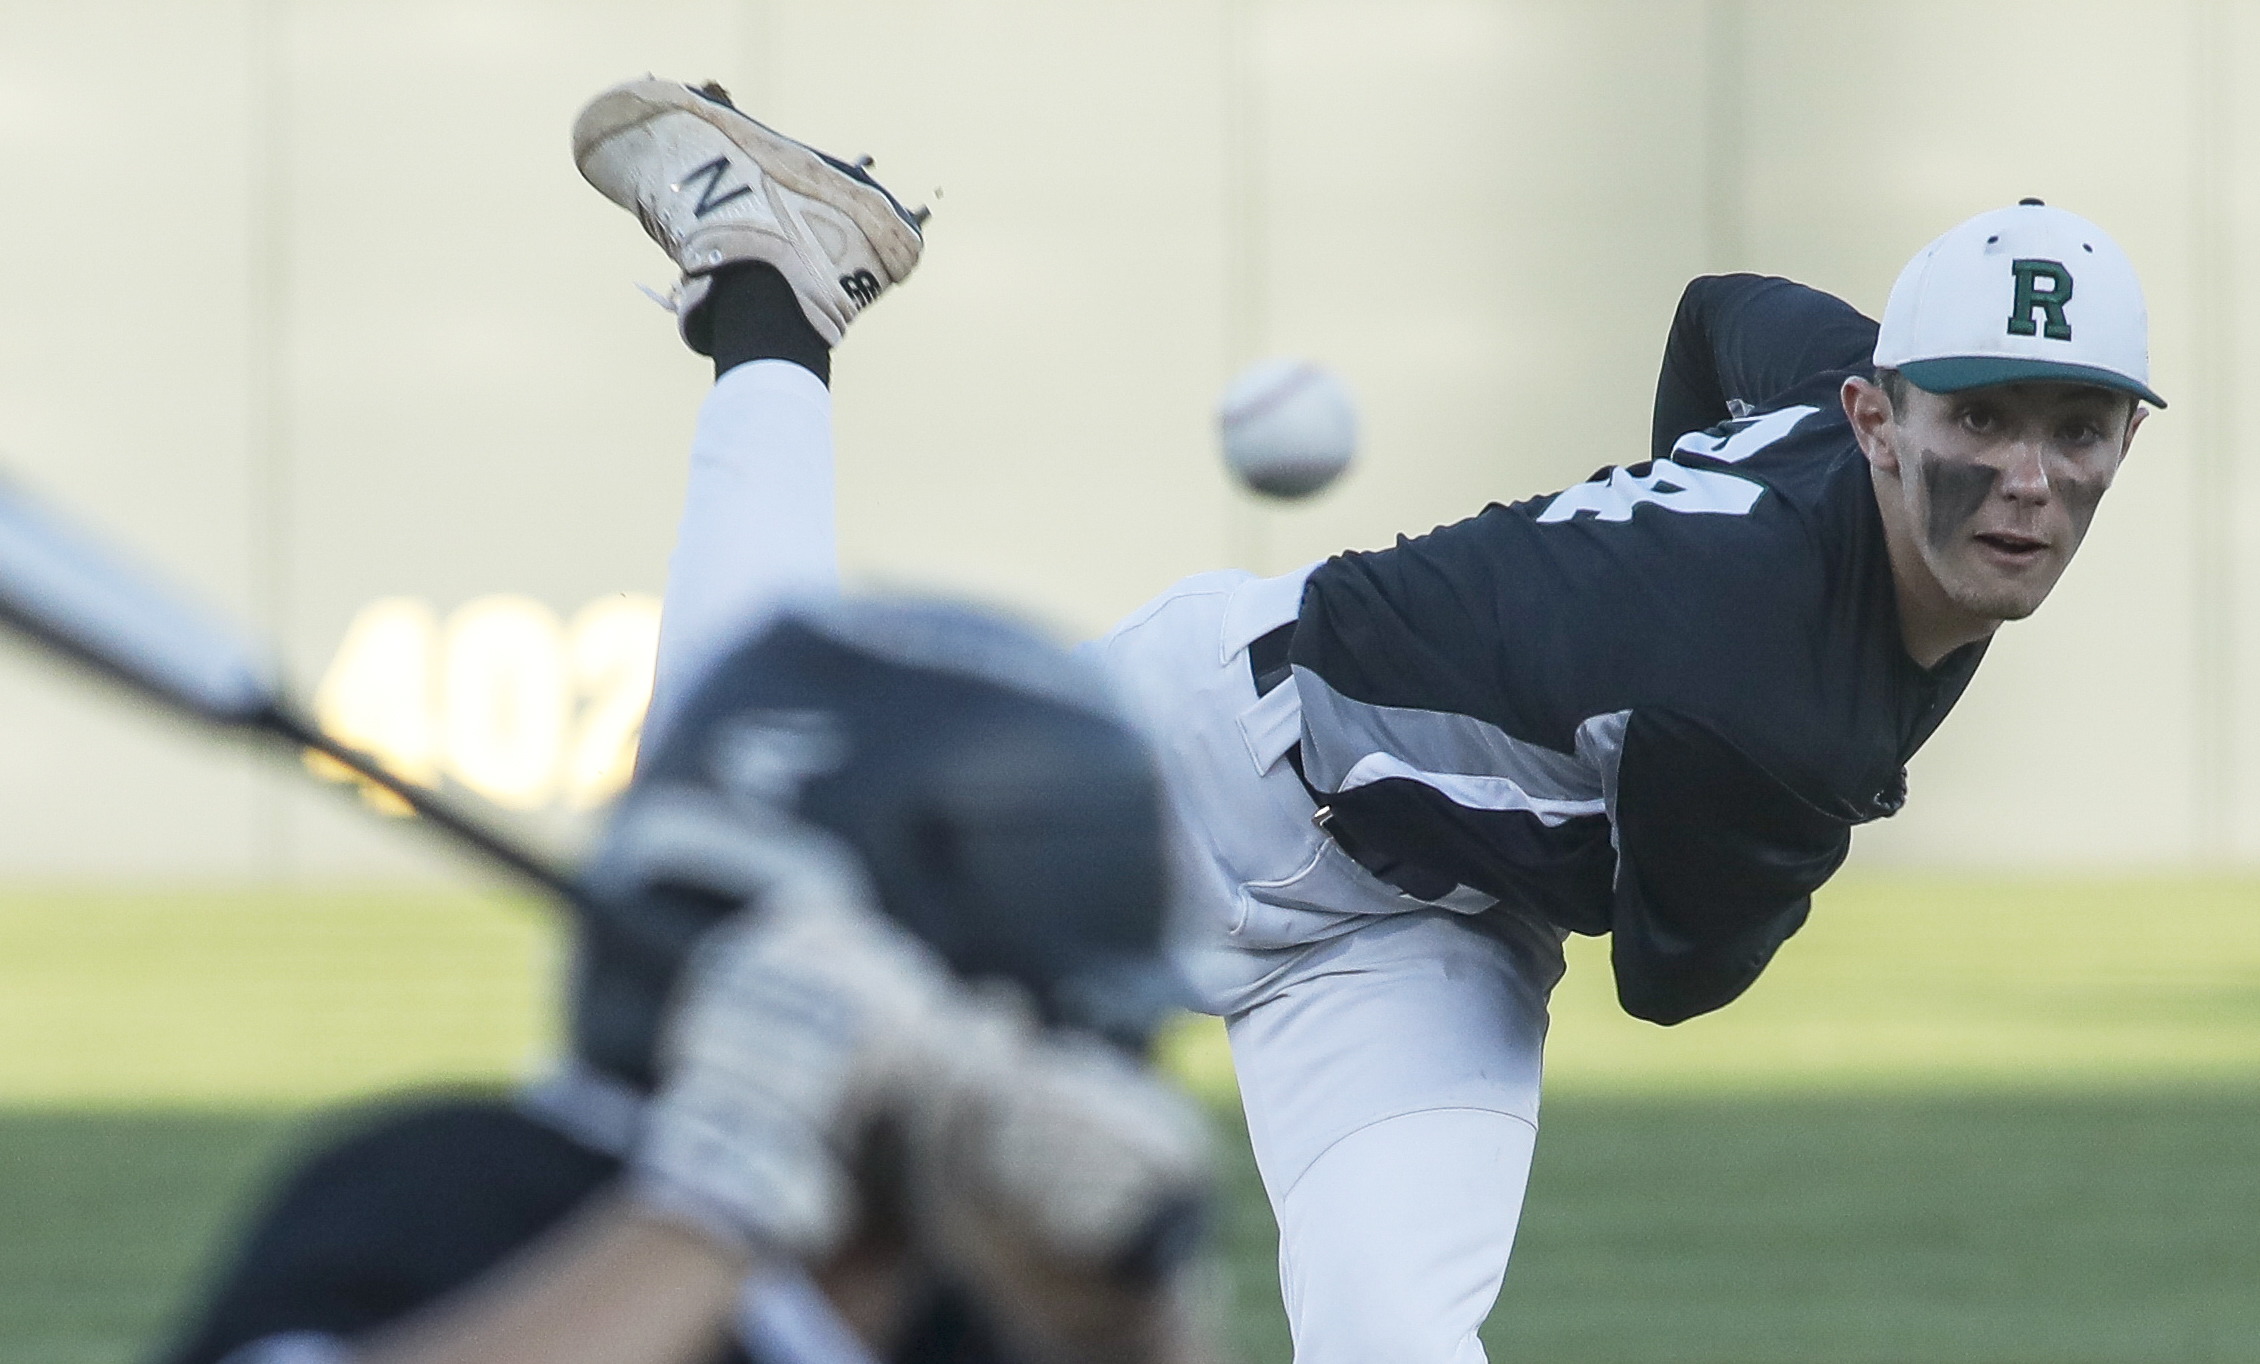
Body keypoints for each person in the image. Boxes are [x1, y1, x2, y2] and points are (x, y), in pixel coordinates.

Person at [558, 77, 2160, 1364]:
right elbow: (1684, 976)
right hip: (1211, 757)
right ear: (1880, 417)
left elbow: (1727, 314)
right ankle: (774, 291)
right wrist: (1682, 624)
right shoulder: (1770, 708)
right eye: (1983, 420)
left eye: (2078, 431)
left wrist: (1649, 547)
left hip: (1428, 924)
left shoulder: (1827, 404)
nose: (2029, 478)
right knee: (718, 872)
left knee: (1394, 1331)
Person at [153, 82, 1218, 1364]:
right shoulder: (458, 1204)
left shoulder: (975, 1312)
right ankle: (776, 308)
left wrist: (1129, 1321)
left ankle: (776, 305)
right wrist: (715, 1203)